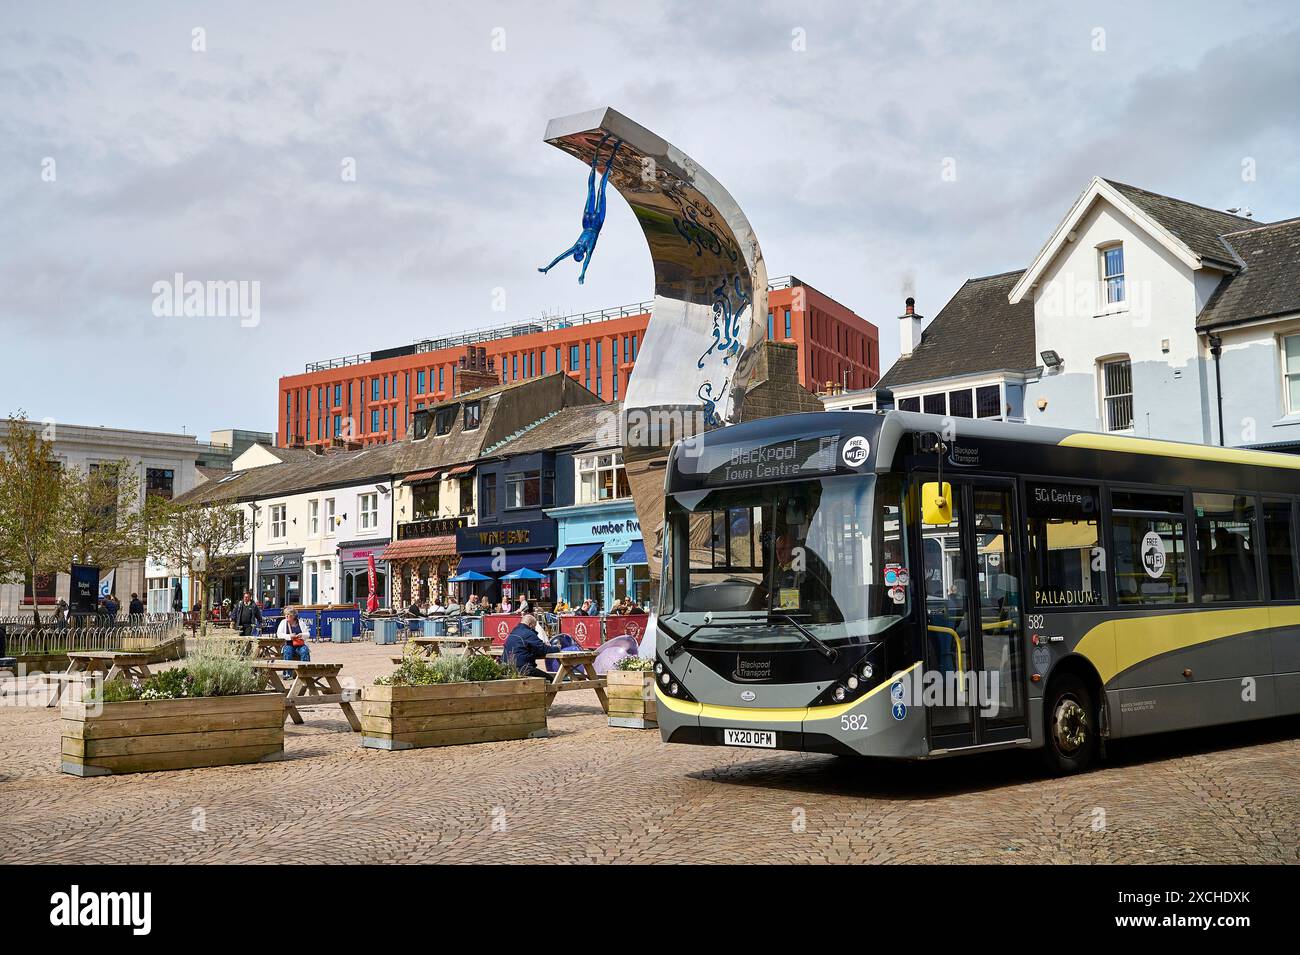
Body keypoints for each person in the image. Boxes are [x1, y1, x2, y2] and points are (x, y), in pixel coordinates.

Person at [538, 134, 622, 285]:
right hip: (596, 224)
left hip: (587, 222)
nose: (578, 252)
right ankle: (615, 149)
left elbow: (559, 257)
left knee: (591, 189)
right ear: (581, 254)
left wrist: (547, 268)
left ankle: (596, 156)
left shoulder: (574, 247)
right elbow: (587, 262)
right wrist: (582, 273)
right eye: (579, 254)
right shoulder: (588, 249)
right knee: (601, 189)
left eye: (576, 254)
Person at [502, 613, 557, 681]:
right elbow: (544, 649)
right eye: (534, 626)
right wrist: (557, 648)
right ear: (530, 625)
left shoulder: (513, 632)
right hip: (522, 669)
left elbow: (523, 648)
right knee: (550, 679)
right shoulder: (529, 633)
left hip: (507, 668)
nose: (535, 629)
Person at [277, 608, 311, 678]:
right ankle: (288, 673)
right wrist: (290, 636)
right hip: (288, 644)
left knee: (304, 650)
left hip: (300, 644)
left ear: (293, 616)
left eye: (288, 615)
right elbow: (279, 634)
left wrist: (302, 635)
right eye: (285, 615)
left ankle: (305, 672)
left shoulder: (300, 622)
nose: (286, 616)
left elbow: (308, 634)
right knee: (287, 651)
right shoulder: (283, 622)